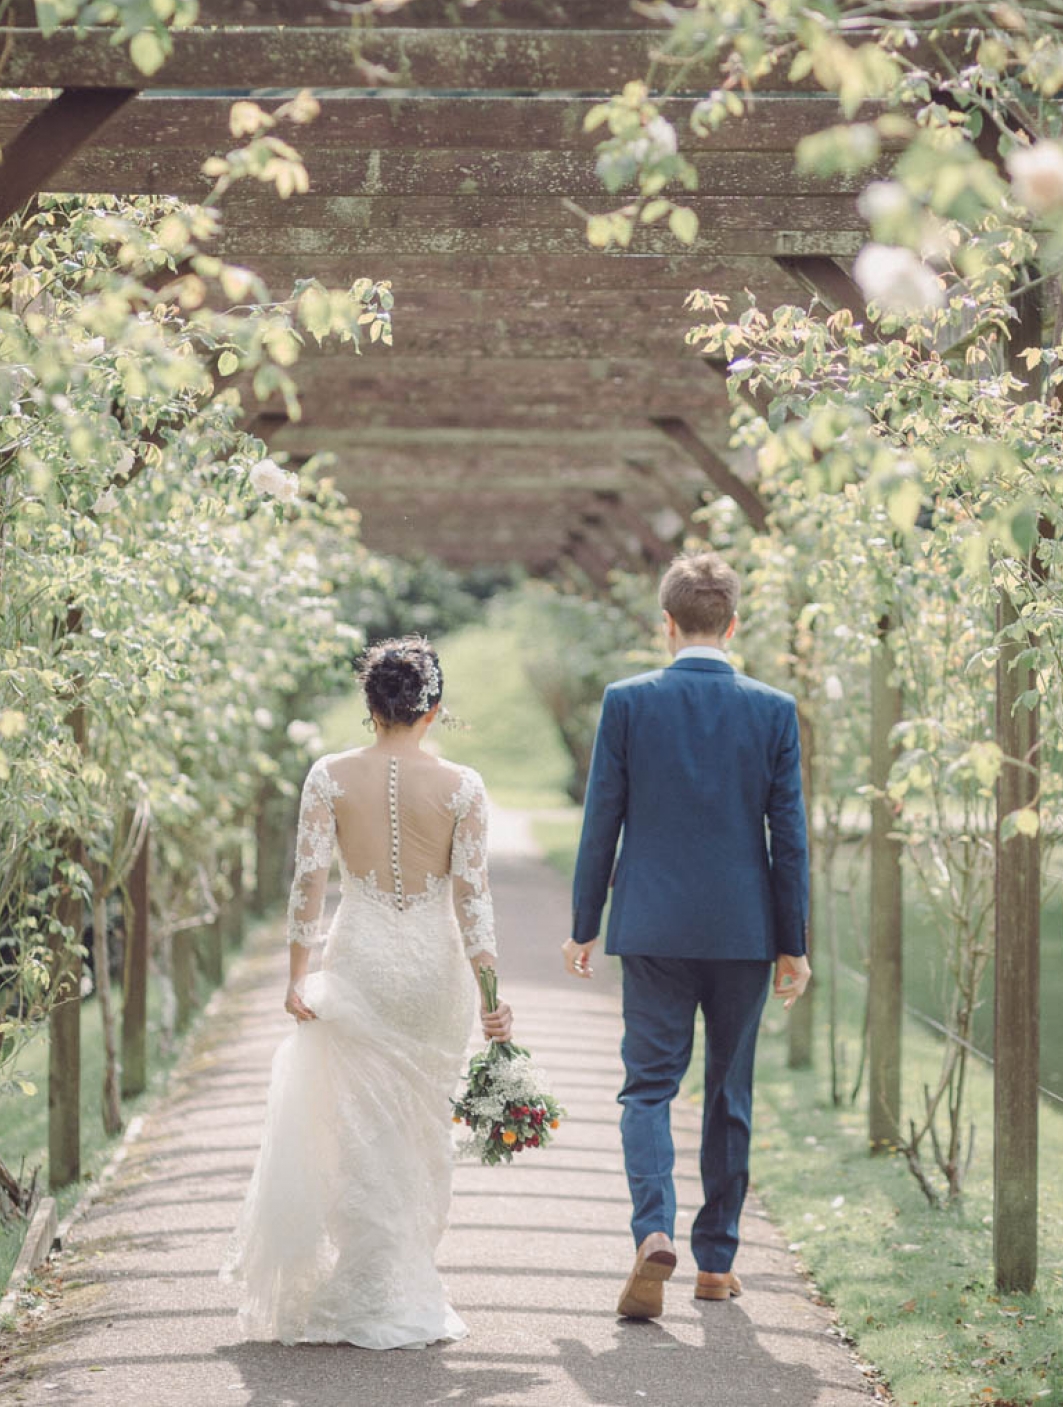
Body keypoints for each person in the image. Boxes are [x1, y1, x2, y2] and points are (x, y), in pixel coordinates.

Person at [222, 635, 511, 1348]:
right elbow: (473, 898)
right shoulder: (463, 787)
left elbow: (308, 880)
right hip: (433, 971)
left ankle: (371, 1275)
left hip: (360, 960)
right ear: (434, 708)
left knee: (358, 1126)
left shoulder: (328, 775)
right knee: (421, 1126)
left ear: (370, 705)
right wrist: (491, 993)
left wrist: (297, 973)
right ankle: (405, 1273)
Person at [563, 551, 810, 1320]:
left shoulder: (627, 701)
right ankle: (716, 1262)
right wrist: (793, 942)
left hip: (653, 928)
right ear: (733, 624)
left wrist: (583, 926)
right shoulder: (773, 710)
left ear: (664, 624)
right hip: (743, 930)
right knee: (728, 1092)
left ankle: (653, 1230)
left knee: (648, 1086)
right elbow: (789, 838)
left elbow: (602, 818)